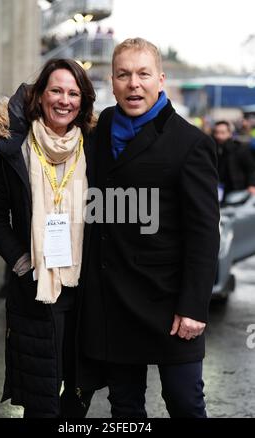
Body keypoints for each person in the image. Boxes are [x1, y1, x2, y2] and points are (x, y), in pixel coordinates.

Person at [77, 38, 220, 418]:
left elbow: (205, 234)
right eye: (123, 75)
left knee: (185, 402)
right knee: (124, 407)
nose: (133, 84)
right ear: (112, 80)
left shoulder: (190, 143)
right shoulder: (100, 128)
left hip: (170, 304)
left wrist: (193, 306)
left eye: (142, 74)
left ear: (160, 79)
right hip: (114, 302)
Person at [0, 59, 96, 418]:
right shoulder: (14, 148)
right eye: (56, 90)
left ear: (83, 100)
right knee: (40, 400)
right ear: (40, 95)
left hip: (86, 289)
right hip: (35, 288)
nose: (65, 100)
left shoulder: (95, 145)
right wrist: (21, 260)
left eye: (73, 93)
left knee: (79, 395)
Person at [212, 120, 255, 199]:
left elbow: (251, 169)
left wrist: (252, 185)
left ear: (229, 133)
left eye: (222, 132)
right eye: (216, 132)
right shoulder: (212, 150)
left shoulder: (240, 149)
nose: (219, 136)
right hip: (221, 190)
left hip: (241, 190)